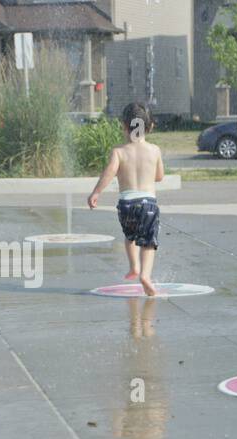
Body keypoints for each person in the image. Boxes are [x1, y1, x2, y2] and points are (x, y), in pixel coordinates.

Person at [87, 103, 165, 297]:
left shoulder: (119, 152)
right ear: (150, 127)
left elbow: (109, 173)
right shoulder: (154, 150)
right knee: (148, 242)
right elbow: (159, 176)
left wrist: (96, 192)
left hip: (127, 205)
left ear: (124, 125)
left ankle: (134, 267)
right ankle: (145, 276)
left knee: (130, 237)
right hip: (148, 203)